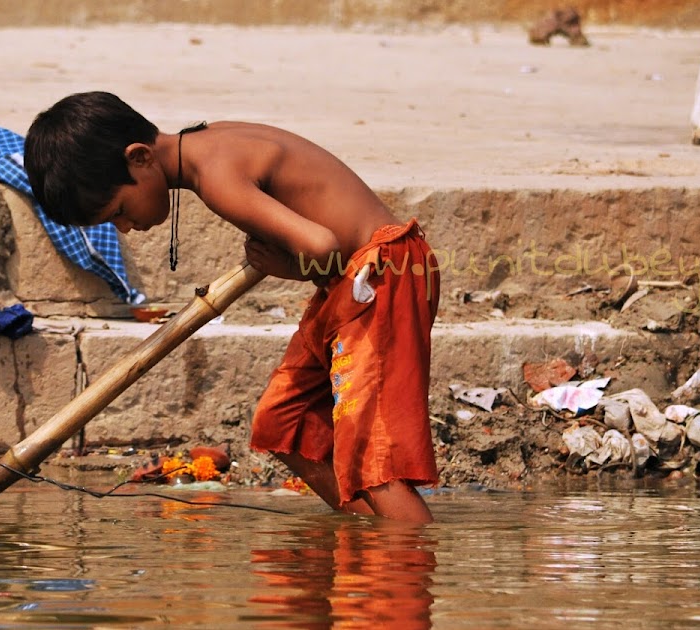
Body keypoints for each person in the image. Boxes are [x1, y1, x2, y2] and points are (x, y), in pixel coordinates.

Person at [24, 91, 440, 523]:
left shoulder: (214, 175)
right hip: (349, 283)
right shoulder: (208, 140)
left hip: (380, 275)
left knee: (373, 452)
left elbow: (322, 245)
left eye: (119, 212)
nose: (126, 228)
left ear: (140, 157)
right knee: (284, 421)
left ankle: (407, 554)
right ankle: (371, 535)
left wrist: (288, 267)